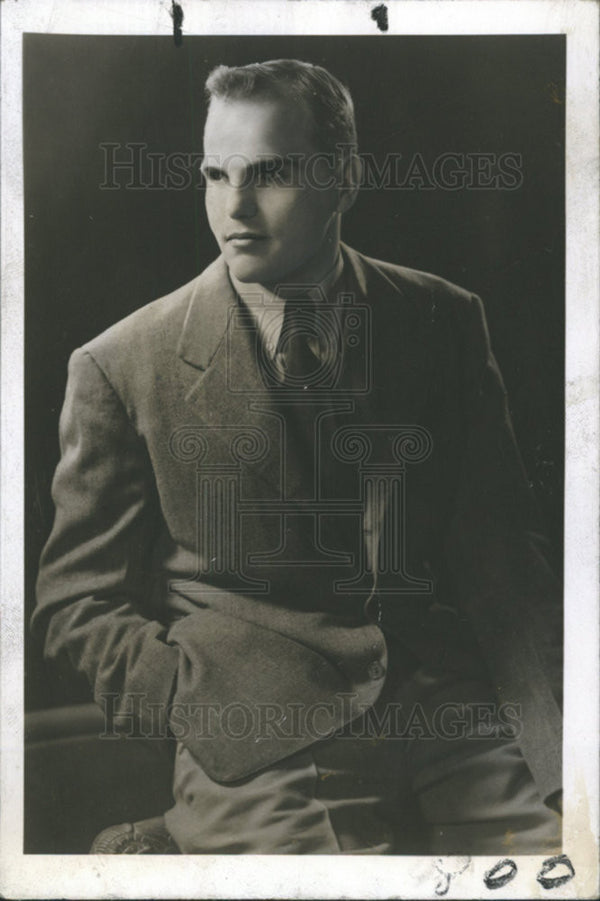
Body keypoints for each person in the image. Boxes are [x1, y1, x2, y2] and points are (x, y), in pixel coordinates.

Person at [34, 59, 563, 854]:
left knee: (564, 860)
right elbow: (74, 602)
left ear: (345, 179)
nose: (235, 207)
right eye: (216, 175)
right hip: (264, 743)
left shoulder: (441, 318)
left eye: (271, 173)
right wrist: (196, 705)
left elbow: (506, 558)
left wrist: (565, 754)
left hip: (455, 719)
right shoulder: (120, 363)